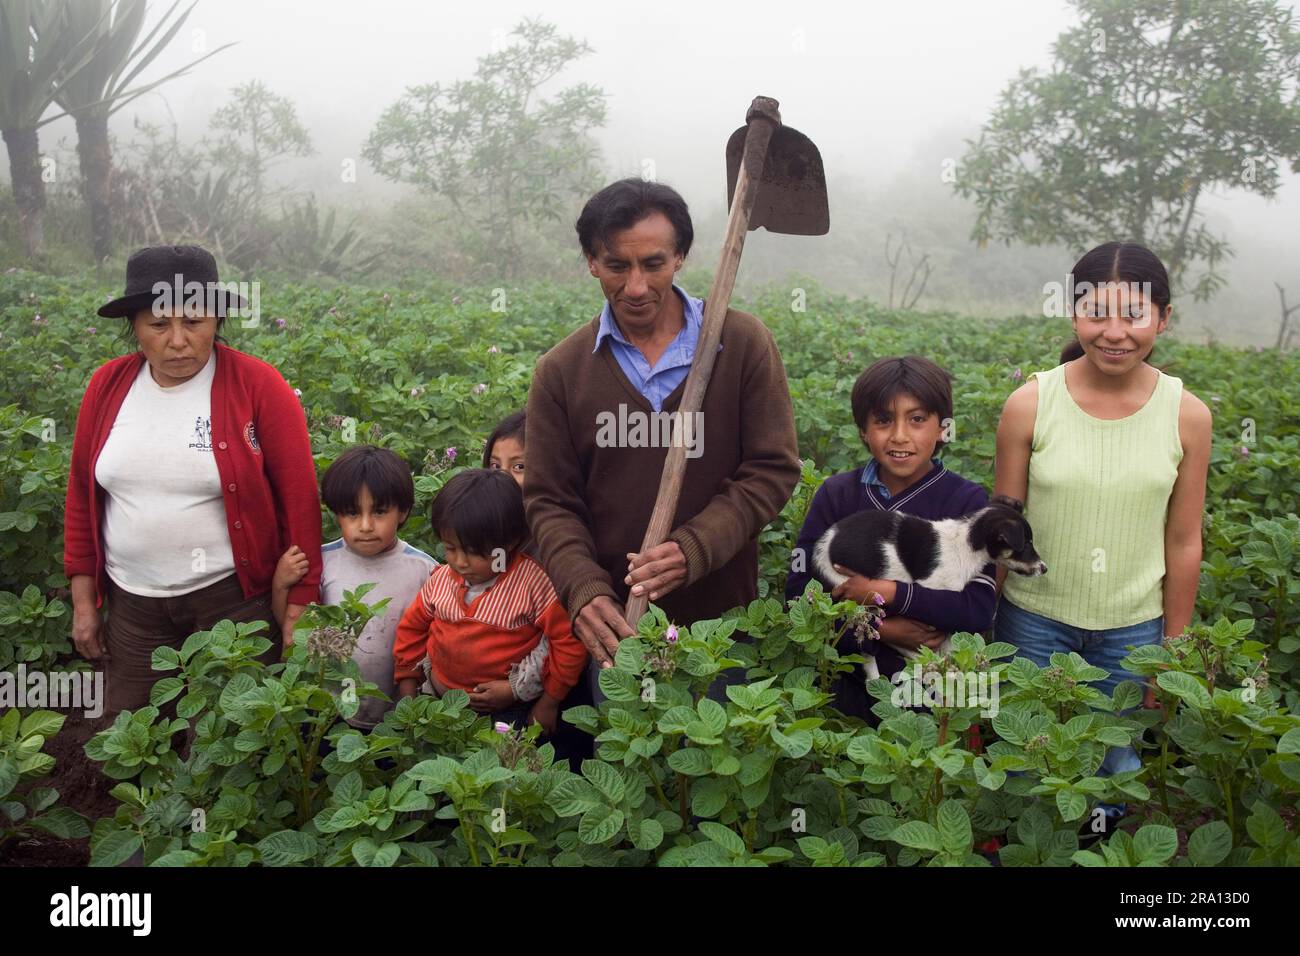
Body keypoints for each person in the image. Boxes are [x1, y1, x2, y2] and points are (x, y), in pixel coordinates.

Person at [523, 178, 801, 683]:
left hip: (720, 631)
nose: (635, 287)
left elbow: (771, 469)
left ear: (681, 258)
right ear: (590, 261)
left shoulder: (741, 345)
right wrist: (583, 588)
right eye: (616, 266)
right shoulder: (561, 372)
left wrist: (695, 548)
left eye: (653, 264)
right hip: (615, 632)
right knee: (629, 755)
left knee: (715, 756)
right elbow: (550, 501)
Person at [993, 241, 1212, 813]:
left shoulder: (1187, 414)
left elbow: (1185, 539)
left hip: (1133, 634)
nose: (1115, 332)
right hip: (1031, 624)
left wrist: (1172, 649)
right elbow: (1002, 529)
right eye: (1097, 313)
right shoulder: (1030, 404)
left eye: (1134, 315)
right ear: (1073, 313)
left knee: (1110, 777)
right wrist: (974, 621)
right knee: (1026, 773)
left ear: (1163, 317)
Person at [64, 245, 321, 717]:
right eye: (159, 325)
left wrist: (301, 601)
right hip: (134, 607)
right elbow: (82, 499)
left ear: (217, 323)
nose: (177, 340)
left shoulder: (259, 386)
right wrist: (85, 603)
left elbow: (300, 502)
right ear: (135, 327)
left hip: (233, 605)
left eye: (194, 322)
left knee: (231, 742)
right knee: (134, 733)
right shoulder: (107, 387)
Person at [785, 356, 998, 722]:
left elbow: (978, 608)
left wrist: (889, 592)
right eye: (883, 420)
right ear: (864, 430)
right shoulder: (837, 495)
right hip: (845, 688)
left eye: (917, 420)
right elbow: (798, 597)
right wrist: (880, 630)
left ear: (943, 428)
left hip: (937, 696)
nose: (899, 435)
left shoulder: (967, 502)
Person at [391, 469, 587, 733]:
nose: (460, 562)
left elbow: (568, 642)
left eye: (474, 552)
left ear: (511, 541)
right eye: (450, 548)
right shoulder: (441, 580)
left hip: (504, 709)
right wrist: (408, 687)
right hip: (437, 701)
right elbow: (412, 630)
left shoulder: (533, 585)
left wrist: (549, 701)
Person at [273, 445, 437, 730]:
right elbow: (291, 630)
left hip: (398, 715)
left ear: (404, 511)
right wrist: (280, 583)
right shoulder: (321, 563)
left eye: (379, 512)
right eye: (352, 513)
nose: (365, 525)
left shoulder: (425, 570)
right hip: (329, 713)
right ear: (335, 514)